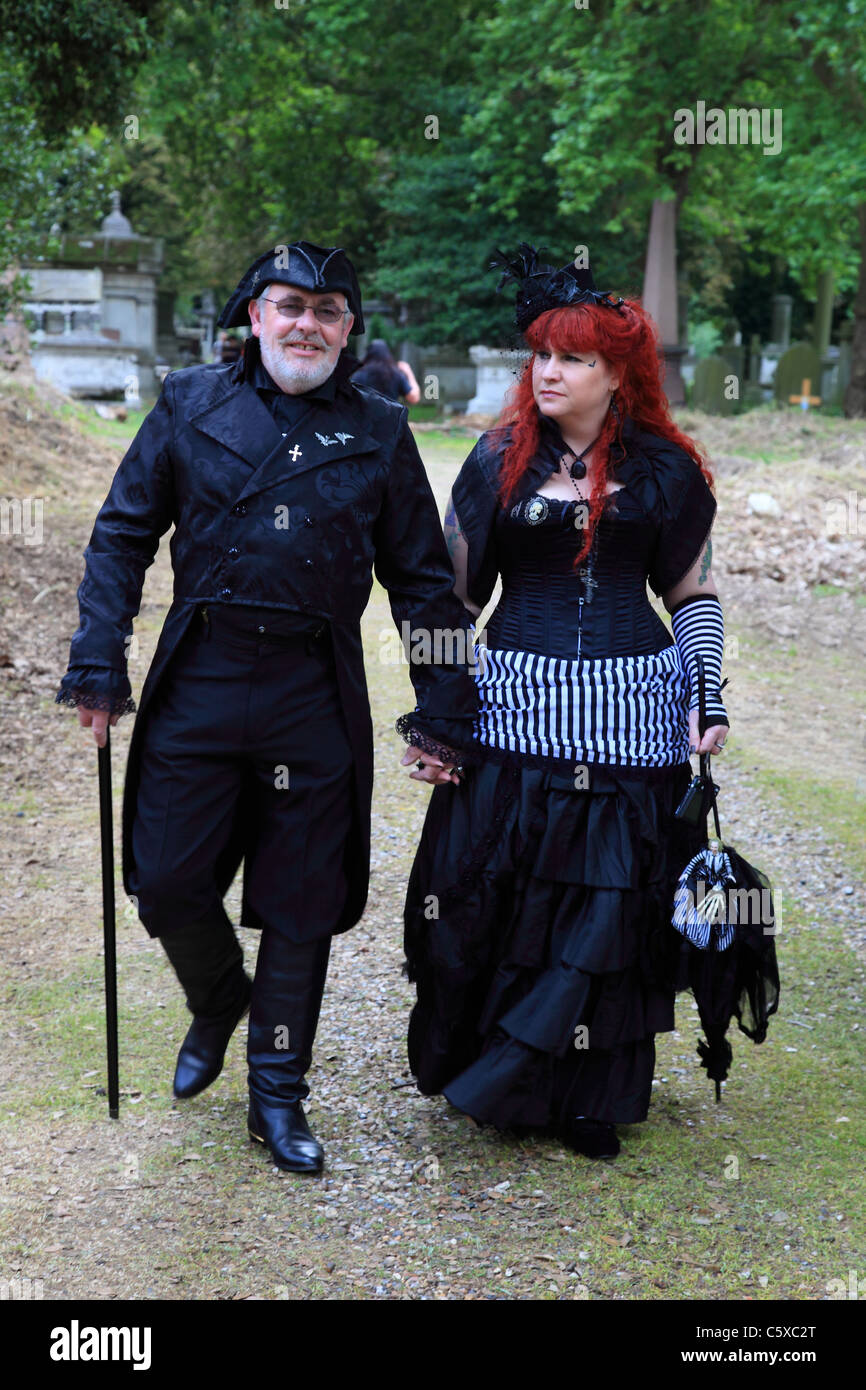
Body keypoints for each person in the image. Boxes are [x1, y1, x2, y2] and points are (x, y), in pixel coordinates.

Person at [55, 240, 477, 1174]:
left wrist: (446, 708)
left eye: (328, 311)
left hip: (312, 686)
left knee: (301, 902)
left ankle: (277, 1096)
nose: (307, 324)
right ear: (254, 316)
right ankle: (216, 998)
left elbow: (420, 583)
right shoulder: (189, 402)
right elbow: (123, 533)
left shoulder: (378, 427)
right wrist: (97, 660)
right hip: (200, 671)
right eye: (289, 305)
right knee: (165, 879)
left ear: (349, 329)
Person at [400, 244, 730, 1159]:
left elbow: (691, 595)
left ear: (618, 374)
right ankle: (503, 1078)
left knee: (612, 910)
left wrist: (705, 692)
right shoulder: (498, 460)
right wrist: (438, 716)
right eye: (541, 354)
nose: (550, 372)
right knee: (508, 900)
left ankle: (590, 1094)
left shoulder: (667, 470)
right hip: (514, 717)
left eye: (574, 358)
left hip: (635, 721)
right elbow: (452, 602)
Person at [352, 337, 421, 404]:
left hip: (366, 415)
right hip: (392, 415)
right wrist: (408, 372)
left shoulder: (360, 374)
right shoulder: (396, 374)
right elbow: (414, 398)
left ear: (368, 355)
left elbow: (350, 398)